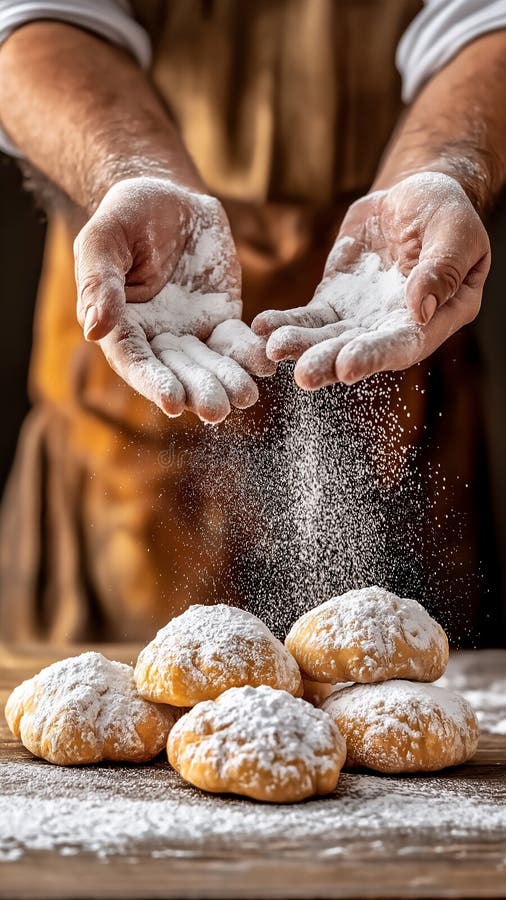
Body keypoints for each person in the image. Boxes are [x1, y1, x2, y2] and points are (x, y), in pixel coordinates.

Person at [0, 0, 504, 643]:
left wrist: (441, 171)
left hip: (397, 309)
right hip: (149, 300)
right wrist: (130, 175)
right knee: (141, 705)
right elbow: (38, 18)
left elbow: (487, 20)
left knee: (400, 678)